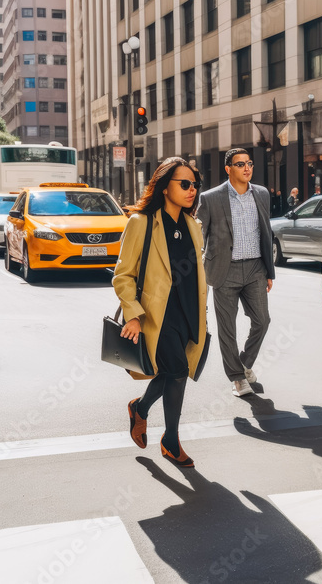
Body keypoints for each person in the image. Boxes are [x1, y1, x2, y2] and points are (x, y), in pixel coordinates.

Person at [117, 158, 208, 468]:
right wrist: (133, 314)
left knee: (171, 372)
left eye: (195, 184)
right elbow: (123, 275)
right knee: (178, 371)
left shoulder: (193, 226)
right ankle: (170, 441)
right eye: (185, 184)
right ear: (165, 187)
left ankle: (140, 408)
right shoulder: (142, 222)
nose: (192, 189)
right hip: (157, 314)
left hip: (188, 312)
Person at [197, 149, 275, 397]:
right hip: (224, 269)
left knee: (262, 321)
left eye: (249, 163)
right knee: (227, 328)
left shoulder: (261, 194)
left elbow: (266, 232)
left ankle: (243, 363)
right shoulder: (210, 198)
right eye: (240, 164)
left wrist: (269, 271)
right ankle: (237, 378)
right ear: (228, 169)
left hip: (255, 268)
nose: (247, 168)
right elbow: (199, 236)